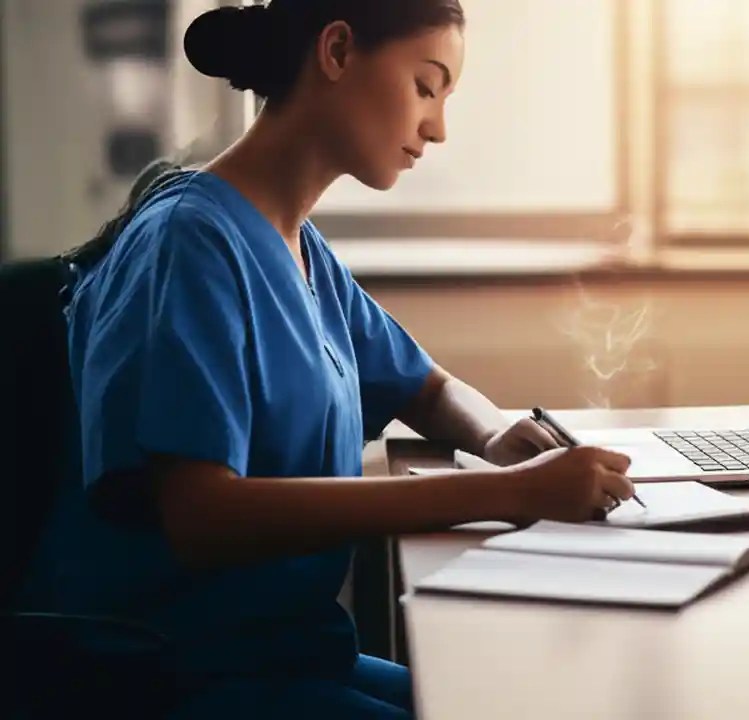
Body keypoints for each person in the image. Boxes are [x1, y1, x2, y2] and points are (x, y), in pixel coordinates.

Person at [18, 1, 634, 718]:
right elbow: (201, 514)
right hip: (171, 677)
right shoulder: (189, 244)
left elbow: (426, 385)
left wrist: (496, 436)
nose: (437, 127)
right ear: (337, 51)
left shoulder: (300, 249)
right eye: (425, 87)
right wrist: (510, 492)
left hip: (287, 653)